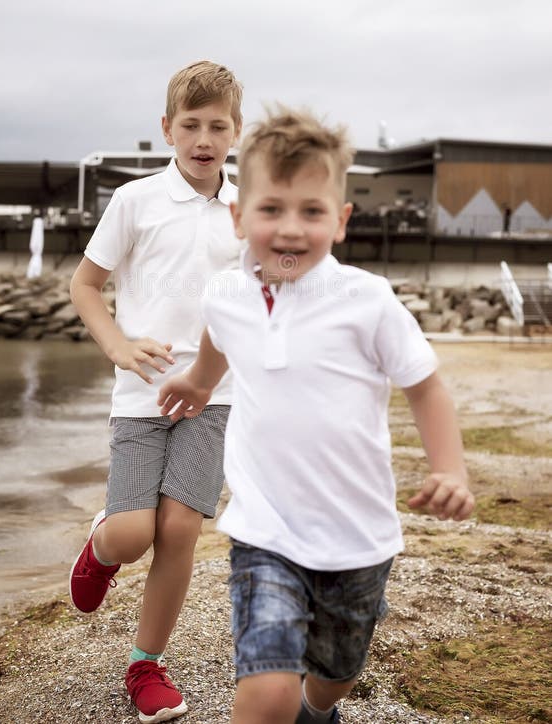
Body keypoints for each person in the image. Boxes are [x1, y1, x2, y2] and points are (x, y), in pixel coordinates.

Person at [158, 108, 475, 724]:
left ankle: (317, 708)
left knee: (336, 671)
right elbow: (219, 338)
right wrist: (200, 382)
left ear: (341, 221)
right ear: (238, 216)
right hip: (264, 530)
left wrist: (452, 470)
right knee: (267, 686)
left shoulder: (366, 301)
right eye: (271, 209)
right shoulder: (226, 294)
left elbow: (426, 386)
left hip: (358, 536)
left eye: (311, 211)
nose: (290, 229)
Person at [68, 60, 243, 723]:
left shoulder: (243, 209)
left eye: (217, 126)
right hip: (140, 396)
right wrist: (117, 346)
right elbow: (85, 286)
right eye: (190, 124)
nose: (203, 137)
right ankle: (101, 546)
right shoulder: (134, 200)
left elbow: (271, 279)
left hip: (216, 394)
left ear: (235, 131)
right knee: (134, 533)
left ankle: (145, 666)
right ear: (167, 129)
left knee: (178, 531)